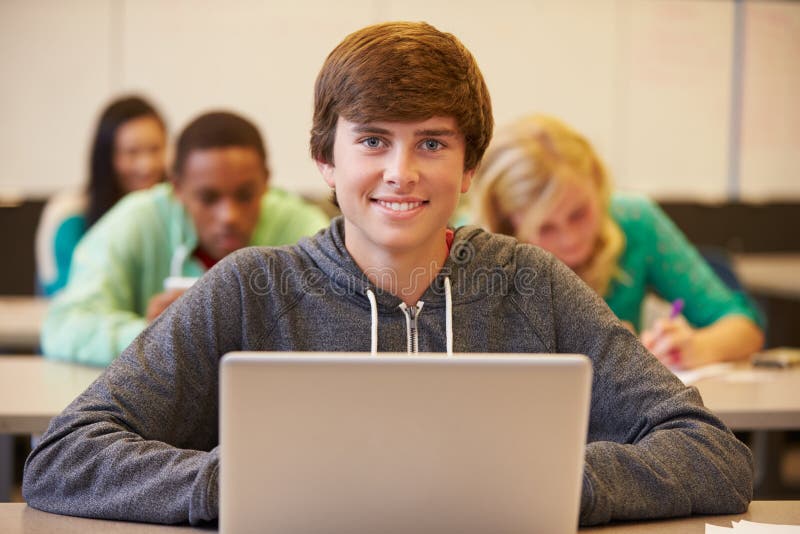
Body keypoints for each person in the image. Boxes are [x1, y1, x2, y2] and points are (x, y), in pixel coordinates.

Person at [24, 21, 752, 527]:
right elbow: (64, 457)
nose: (401, 172)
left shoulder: (532, 285)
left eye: (431, 142)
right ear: (326, 162)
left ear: (469, 168)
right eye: (372, 140)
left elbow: (711, 452)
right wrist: (238, 484)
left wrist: (555, 484)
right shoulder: (250, 289)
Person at [470, 113, 764, 369]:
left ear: (598, 185)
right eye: (546, 228)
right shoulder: (472, 245)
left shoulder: (633, 221)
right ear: (507, 221)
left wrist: (697, 347)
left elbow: (744, 325)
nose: (570, 239)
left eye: (579, 214)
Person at [40, 110, 329, 366]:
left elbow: (344, 320)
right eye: (208, 197)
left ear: (266, 181)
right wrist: (158, 335)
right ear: (177, 187)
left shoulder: (299, 224)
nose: (228, 215)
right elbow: (64, 326)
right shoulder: (137, 220)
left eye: (244, 195)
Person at [36, 96, 168, 296]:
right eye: (132, 152)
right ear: (107, 156)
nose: (146, 165)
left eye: (155, 149)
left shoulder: (176, 211)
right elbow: (65, 302)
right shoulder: (69, 214)